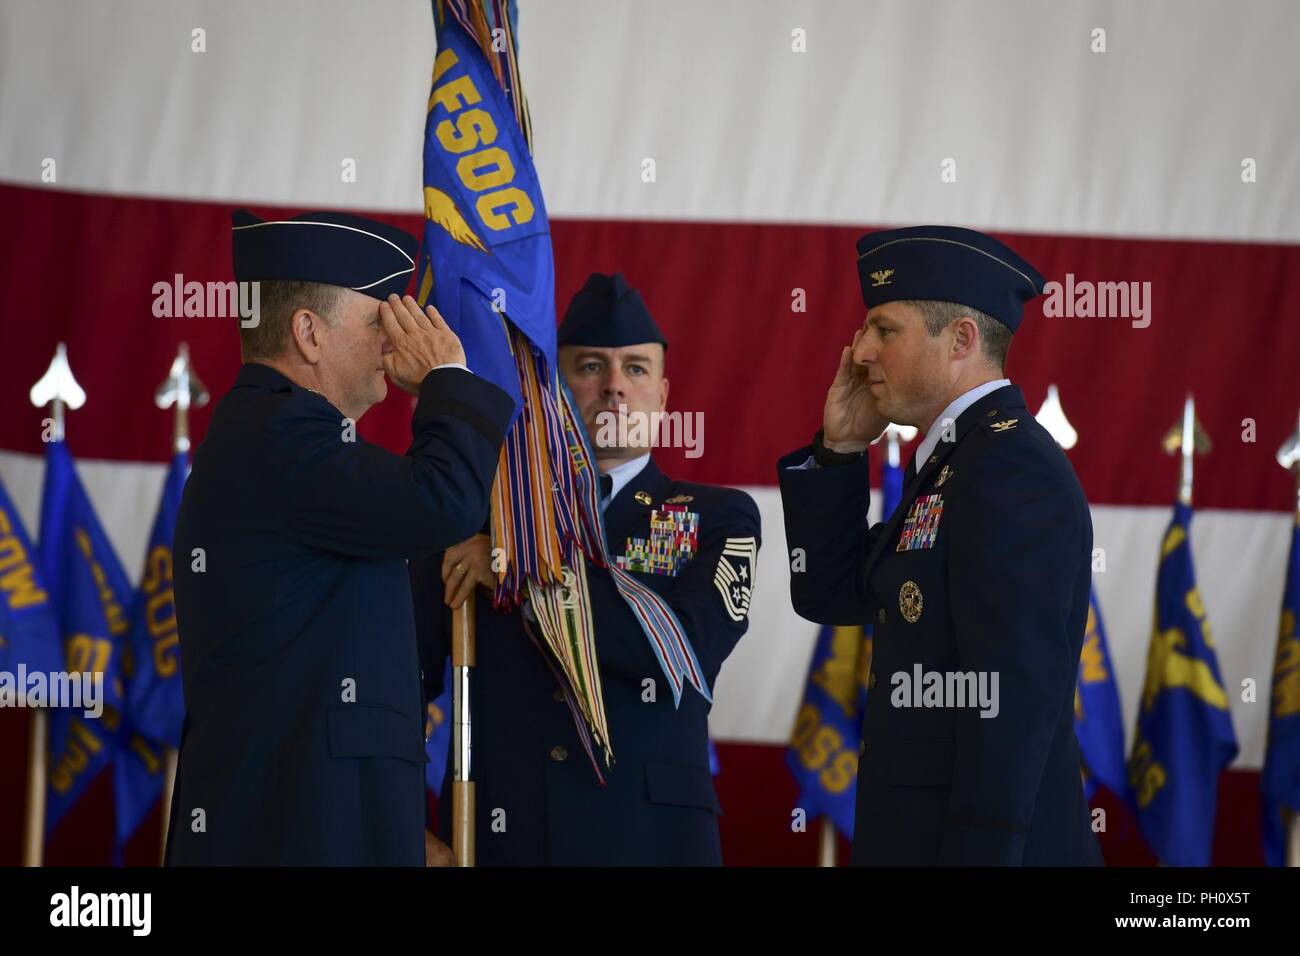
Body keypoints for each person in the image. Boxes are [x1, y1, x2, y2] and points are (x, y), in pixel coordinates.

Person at [165, 209, 514, 865]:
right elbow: (440, 502)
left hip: (312, 821)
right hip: (295, 831)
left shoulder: (276, 437)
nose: (394, 343)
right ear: (308, 333)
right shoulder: (281, 434)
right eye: (381, 320)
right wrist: (448, 378)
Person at [777, 225, 1103, 866]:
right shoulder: (958, 460)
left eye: (885, 329)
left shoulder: (1008, 465)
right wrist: (840, 451)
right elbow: (831, 591)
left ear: (961, 340)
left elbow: (1008, 696)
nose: (860, 350)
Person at [411, 272, 761, 865]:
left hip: (651, 841)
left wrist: (524, 574)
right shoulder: (475, 512)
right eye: (591, 367)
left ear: (663, 395)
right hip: (500, 836)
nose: (615, 388)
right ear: (554, 391)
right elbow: (400, 680)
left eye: (636, 369)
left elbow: (685, 651)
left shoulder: (718, 515)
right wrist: (404, 824)